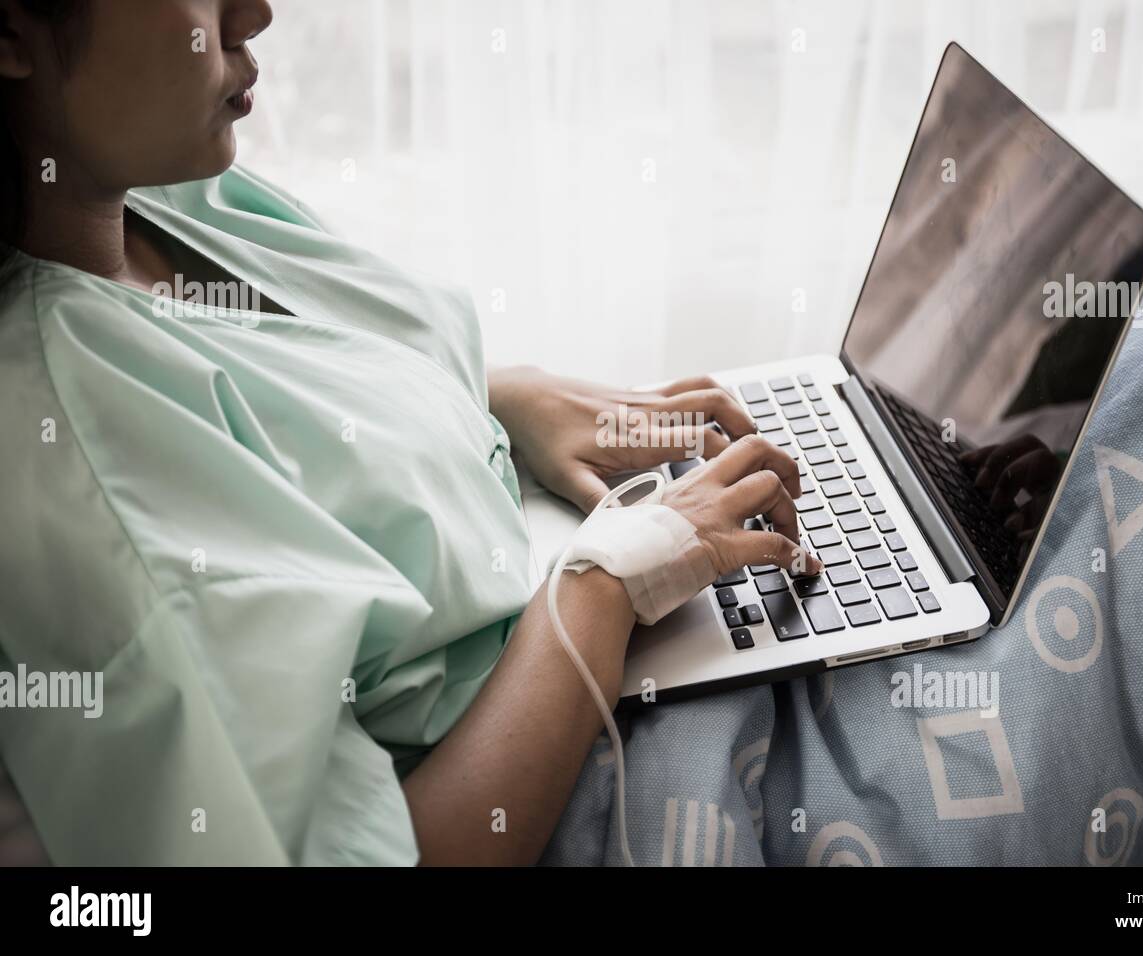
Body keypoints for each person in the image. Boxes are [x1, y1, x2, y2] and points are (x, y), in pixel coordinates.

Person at [0, 0, 816, 865]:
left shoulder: (163, 188)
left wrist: (499, 401)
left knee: (950, 502)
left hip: (606, 635)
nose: (254, 13)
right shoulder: (83, 465)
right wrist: (604, 587)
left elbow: (292, 392)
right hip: (584, 778)